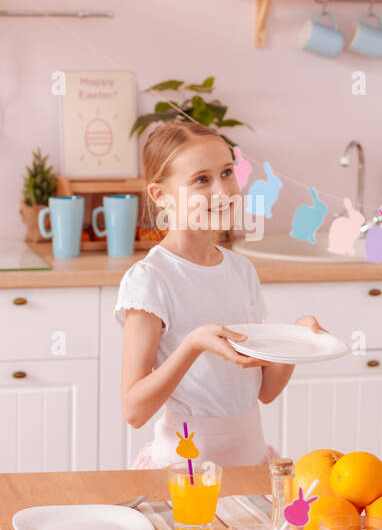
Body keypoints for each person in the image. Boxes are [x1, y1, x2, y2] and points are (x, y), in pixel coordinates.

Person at [116, 122, 324, 469]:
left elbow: (264, 392)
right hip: (184, 475)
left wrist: (296, 340)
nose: (224, 190)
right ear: (160, 196)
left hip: (251, 465)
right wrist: (193, 345)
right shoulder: (151, 279)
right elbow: (134, 411)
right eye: (202, 180)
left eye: (227, 172)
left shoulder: (240, 270)